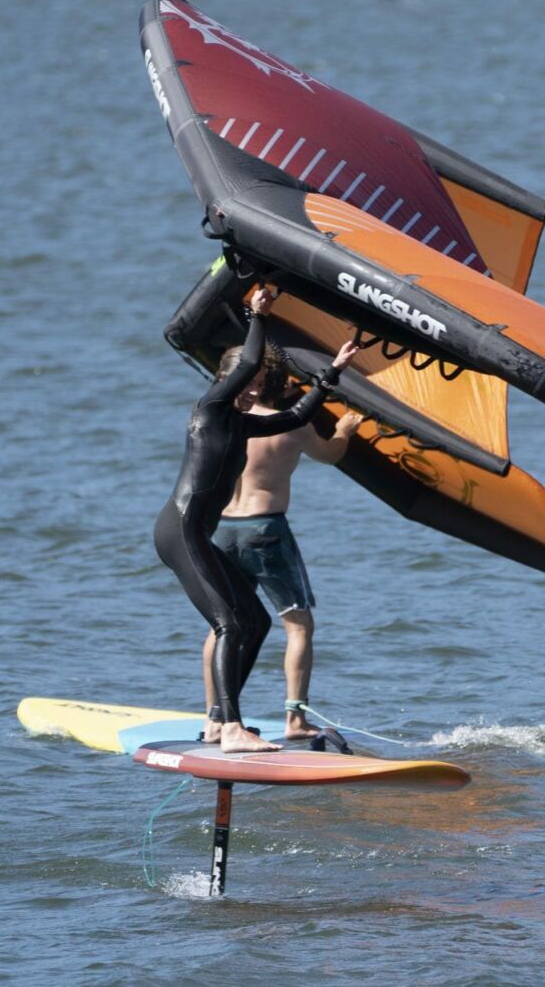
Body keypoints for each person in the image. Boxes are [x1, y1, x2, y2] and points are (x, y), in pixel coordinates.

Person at [154, 282, 359, 753]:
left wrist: (333, 373)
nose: (253, 389)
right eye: (245, 385)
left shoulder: (241, 424)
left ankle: (219, 723)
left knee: (256, 623)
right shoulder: (210, 410)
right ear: (228, 385)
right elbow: (246, 363)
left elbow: (292, 417)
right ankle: (229, 728)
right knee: (229, 624)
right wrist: (257, 316)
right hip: (181, 531)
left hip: (202, 536)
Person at [201, 350, 365, 745]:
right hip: (266, 530)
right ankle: (295, 718)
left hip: (222, 529)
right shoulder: (291, 427)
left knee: (222, 626)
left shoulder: (226, 420)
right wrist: (345, 428)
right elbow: (331, 454)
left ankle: (214, 719)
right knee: (299, 626)